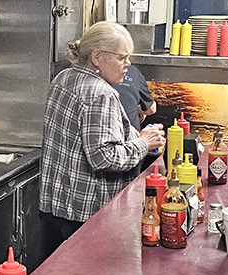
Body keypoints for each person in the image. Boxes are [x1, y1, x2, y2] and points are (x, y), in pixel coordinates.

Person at [39, 21, 165, 251]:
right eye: (121, 57)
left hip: (59, 205)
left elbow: (81, 140)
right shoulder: (101, 94)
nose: (128, 64)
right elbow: (104, 157)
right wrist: (143, 143)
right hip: (87, 212)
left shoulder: (63, 78)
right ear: (97, 57)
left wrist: (133, 136)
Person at [112, 64, 157, 132]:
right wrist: (140, 108)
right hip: (130, 136)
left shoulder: (94, 76)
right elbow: (151, 109)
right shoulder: (132, 71)